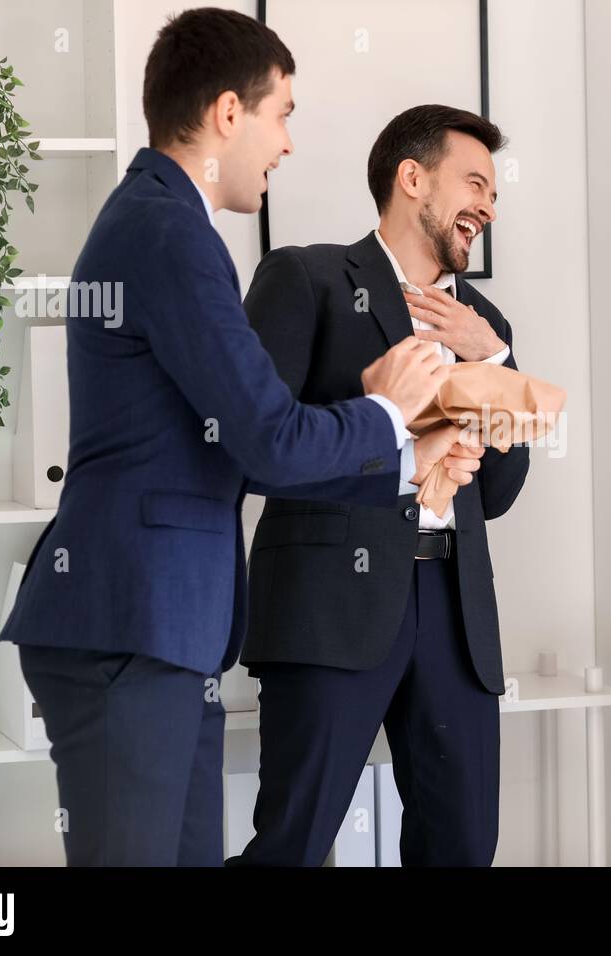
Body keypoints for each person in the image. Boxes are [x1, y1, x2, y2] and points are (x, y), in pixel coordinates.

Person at [0, 8, 478, 867]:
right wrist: (386, 418)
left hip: (167, 631)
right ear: (228, 113)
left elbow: (237, 435)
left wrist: (397, 440)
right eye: (282, 112)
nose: (288, 142)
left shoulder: (171, 224)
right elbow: (265, 439)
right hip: (130, 625)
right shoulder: (166, 231)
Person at [230, 105, 528, 867]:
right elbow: (257, 450)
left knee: (462, 846)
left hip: (455, 617)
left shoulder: (484, 321)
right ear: (411, 178)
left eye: (493, 192)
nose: (488, 206)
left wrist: (494, 366)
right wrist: (393, 439)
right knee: (293, 845)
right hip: (329, 605)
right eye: (474, 183)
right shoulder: (308, 278)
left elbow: (498, 491)